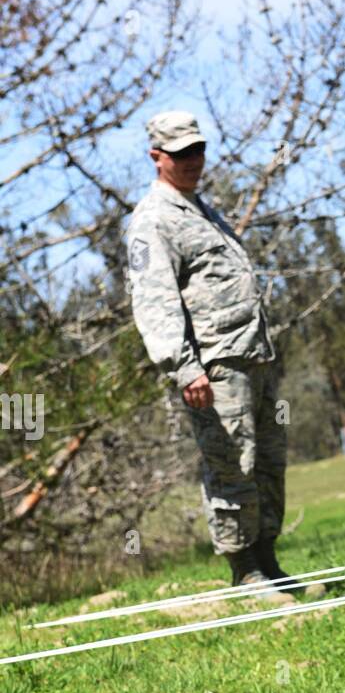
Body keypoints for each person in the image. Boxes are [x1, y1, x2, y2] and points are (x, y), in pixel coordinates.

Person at [126, 110, 298, 597]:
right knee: (231, 464)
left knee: (267, 462)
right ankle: (244, 572)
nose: (193, 161)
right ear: (156, 157)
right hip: (213, 365)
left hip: (252, 356)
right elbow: (154, 298)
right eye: (181, 154)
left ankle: (268, 561)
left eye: (197, 150)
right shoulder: (154, 219)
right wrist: (183, 367)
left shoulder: (201, 209)